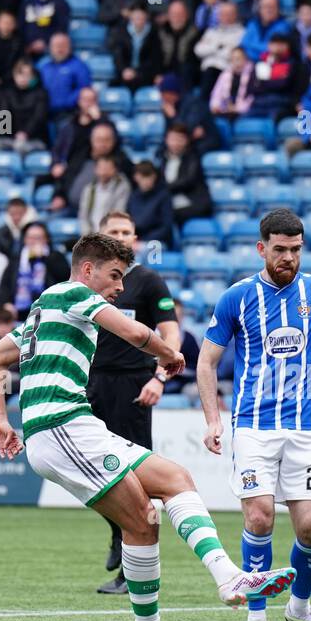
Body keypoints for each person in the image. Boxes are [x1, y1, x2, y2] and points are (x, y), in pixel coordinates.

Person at [0, 232, 297, 621]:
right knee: (145, 516)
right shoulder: (75, 292)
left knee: (164, 493)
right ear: (87, 270)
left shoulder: (46, 304)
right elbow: (134, 331)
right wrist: (169, 354)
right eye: (114, 276)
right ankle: (223, 581)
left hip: (71, 427)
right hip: (62, 428)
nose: (119, 288)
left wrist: (1, 420)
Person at [197, 208, 311, 621]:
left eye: (295, 249)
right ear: (262, 249)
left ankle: (300, 608)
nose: (289, 257)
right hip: (252, 426)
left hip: (307, 428)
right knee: (259, 515)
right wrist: (213, 419)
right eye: (280, 249)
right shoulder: (236, 297)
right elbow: (206, 361)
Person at [86, 212, 183, 594]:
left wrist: (160, 376)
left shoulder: (146, 280)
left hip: (133, 385)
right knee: (96, 469)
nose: (122, 238)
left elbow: (171, 330)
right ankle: (116, 536)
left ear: (137, 238)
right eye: (114, 233)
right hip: (91, 383)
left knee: (135, 475)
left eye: (127, 232)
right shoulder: (88, 283)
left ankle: (132, 571)